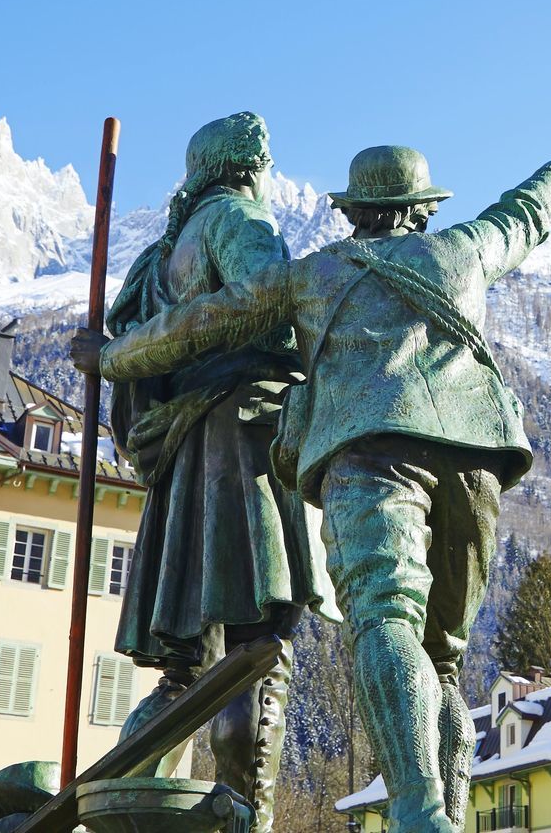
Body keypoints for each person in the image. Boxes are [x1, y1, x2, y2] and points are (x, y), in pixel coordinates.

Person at [73, 145, 551, 833]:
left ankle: (418, 812)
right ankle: (451, 812)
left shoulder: (309, 276)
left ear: (354, 213)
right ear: (421, 210)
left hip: (366, 453)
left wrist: (108, 357)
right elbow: (527, 212)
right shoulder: (465, 248)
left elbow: (195, 325)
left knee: (386, 619)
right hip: (475, 459)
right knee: (441, 663)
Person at [78, 112, 332, 831]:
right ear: (246, 165)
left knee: (183, 673)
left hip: (186, 451)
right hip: (243, 443)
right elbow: (267, 300)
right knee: (258, 644)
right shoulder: (238, 217)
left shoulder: (156, 260)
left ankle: (114, 813)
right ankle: (248, 818)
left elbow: (131, 378)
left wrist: (115, 358)